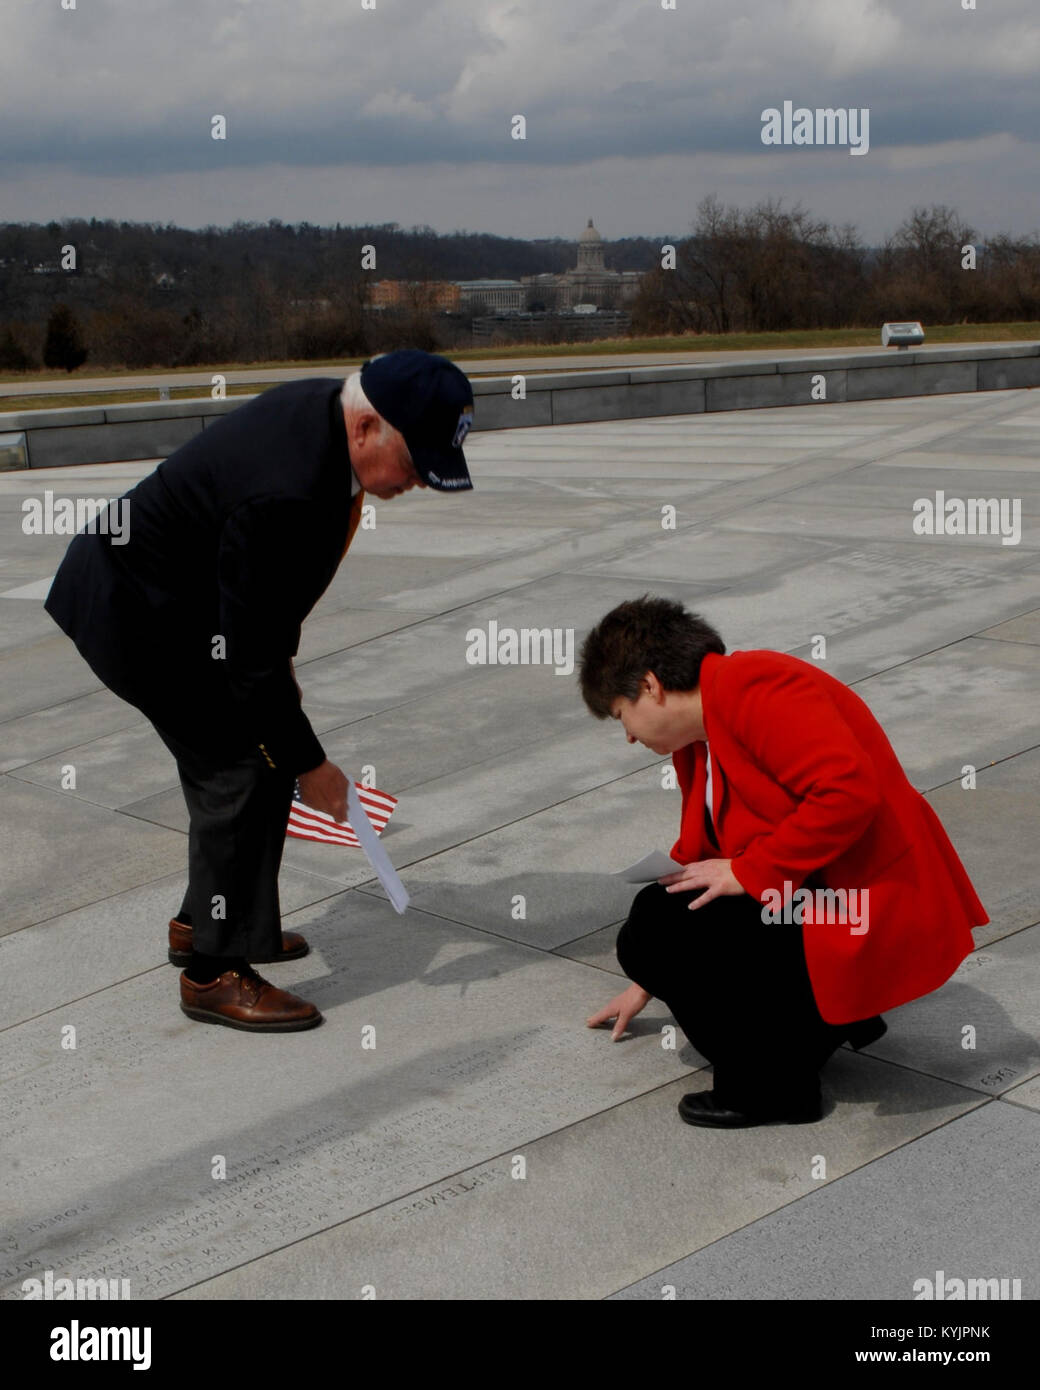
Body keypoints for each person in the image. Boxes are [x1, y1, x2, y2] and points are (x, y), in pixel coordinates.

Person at [45, 349, 475, 1033]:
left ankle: (205, 921)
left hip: (178, 604)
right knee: (244, 765)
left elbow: (262, 614)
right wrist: (310, 763)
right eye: (415, 462)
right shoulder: (291, 489)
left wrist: (286, 715)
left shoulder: (328, 422)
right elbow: (249, 659)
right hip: (136, 612)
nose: (419, 481)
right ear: (367, 428)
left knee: (261, 749)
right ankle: (213, 971)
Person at [580, 596, 988, 1128]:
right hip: (822, 898)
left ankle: (773, 1087)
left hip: (865, 903)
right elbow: (703, 851)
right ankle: (805, 1036)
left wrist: (748, 874)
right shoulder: (702, 732)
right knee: (656, 925)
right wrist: (648, 980)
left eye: (621, 716)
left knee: (655, 924)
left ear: (651, 687)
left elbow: (847, 792)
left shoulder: (756, 683)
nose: (629, 736)